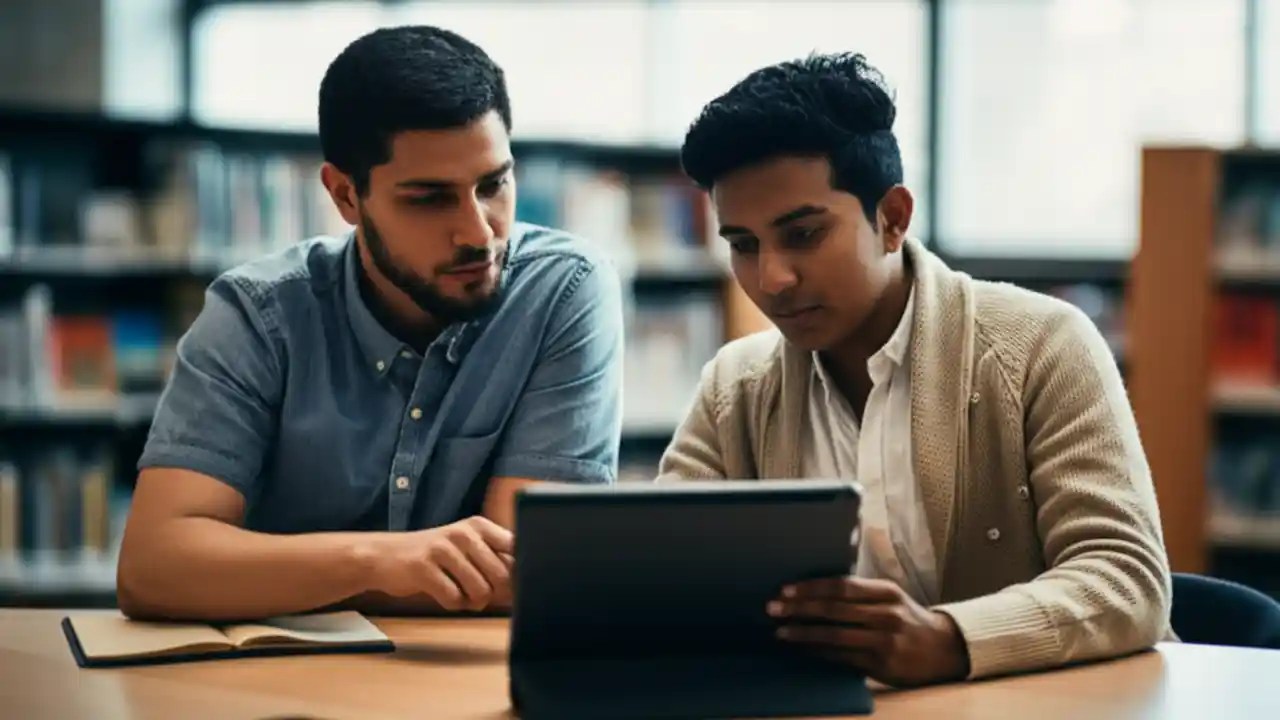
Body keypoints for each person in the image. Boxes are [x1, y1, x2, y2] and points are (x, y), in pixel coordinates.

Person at [659, 53, 1172, 687]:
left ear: (893, 218)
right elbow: (669, 580)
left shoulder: (1042, 345)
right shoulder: (735, 387)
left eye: (803, 235)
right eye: (743, 245)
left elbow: (1126, 577)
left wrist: (951, 641)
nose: (771, 279)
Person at [117, 26, 624, 621]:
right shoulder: (256, 315)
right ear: (345, 196)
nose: (479, 232)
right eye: (429, 198)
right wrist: (377, 559)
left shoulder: (564, 291)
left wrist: (267, 576)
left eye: (493, 185)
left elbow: (528, 573)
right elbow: (154, 568)